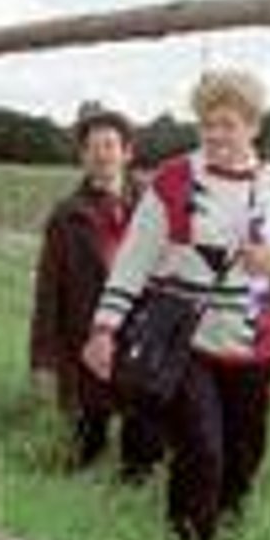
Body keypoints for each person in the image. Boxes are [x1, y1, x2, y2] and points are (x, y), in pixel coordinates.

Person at [82, 69, 270, 540]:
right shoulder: (174, 180)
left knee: (242, 458)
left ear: (254, 126)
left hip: (257, 347)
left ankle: (226, 537)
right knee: (201, 450)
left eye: (228, 124)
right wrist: (104, 328)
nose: (215, 135)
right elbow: (132, 262)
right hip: (189, 342)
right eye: (207, 124)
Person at [29, 106, 161, 475]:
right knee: (89, 436)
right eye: (92, 147)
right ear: (82, 156)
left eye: (110, 145)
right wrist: (43, 358)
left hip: (142, 332)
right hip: (86, 335)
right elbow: (48, 289)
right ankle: (78, 489)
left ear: (127, 152)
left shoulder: (154, 205)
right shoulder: (67, 215)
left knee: (144, 432)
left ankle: (131, 489)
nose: (102, 154)